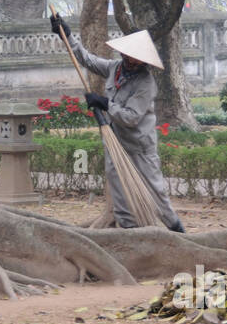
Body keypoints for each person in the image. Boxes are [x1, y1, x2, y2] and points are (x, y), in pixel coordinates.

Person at [50, 14, 186, 233]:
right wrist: (66, 36)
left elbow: (131, 118)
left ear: (143, 61)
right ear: (123, 53)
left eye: (137, 59)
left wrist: (104, 103)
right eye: (129, 56)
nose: (132, 61)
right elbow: (86, 59)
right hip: (114, 142)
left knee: (156, 194)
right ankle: (127, 232)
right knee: (119, 192)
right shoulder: (115, 68)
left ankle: (178, 233)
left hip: (139, 147)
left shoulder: (145, 83)